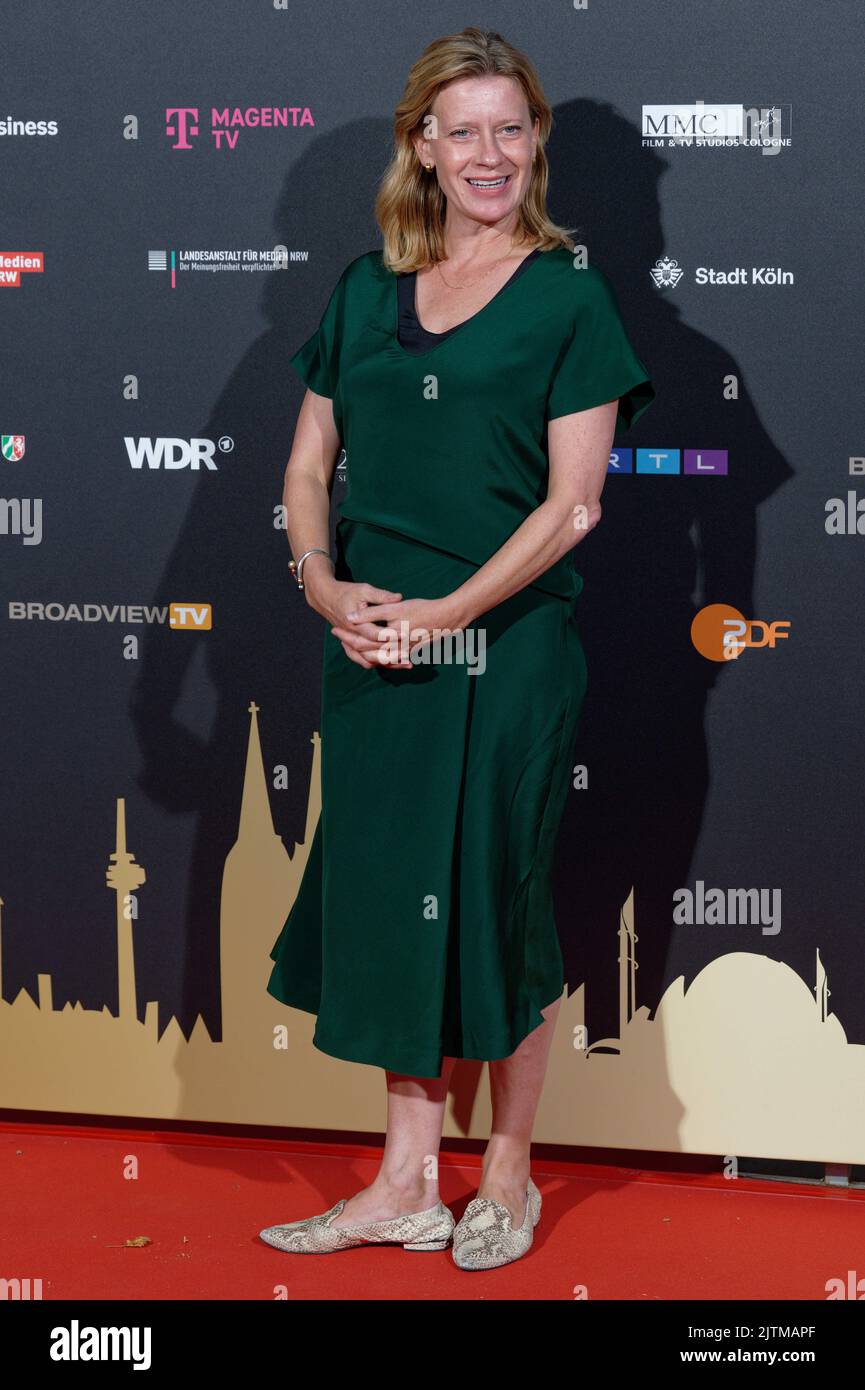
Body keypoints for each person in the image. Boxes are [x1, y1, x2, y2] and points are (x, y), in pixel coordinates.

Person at [261, 25, 655, 1271]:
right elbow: (307, 465)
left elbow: (572, 505)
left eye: (509, 127)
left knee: (495, 903)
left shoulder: (567, 295)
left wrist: (446, 614)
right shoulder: (362, 291)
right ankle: (401, 1182)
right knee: (390, 907)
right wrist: (324, 588)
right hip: (371, 648)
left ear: (533, 143)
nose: (488, 153)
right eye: (461, 129)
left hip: (504, 654)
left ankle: (508, 1179)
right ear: (420, 147)